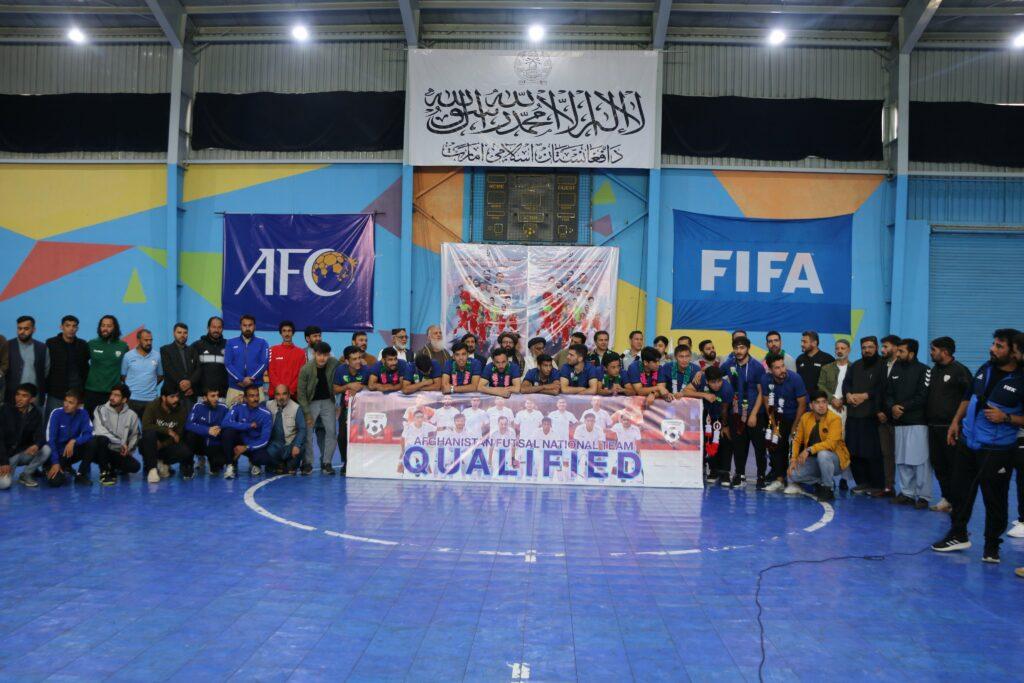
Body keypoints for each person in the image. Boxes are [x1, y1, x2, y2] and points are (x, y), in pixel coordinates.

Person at [933, 328, 1024, 565]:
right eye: (993, 343)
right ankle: (958, 535)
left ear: (1014, 353)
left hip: (997, 451)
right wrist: (956, 422)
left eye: (999, 346)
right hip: (968, 443)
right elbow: (968, 395)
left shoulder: (1022, 379)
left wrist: (1006, 418)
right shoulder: (986, 367)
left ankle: (992, 546)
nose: (992, 348)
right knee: (959, 492)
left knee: (995, 500)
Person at [925, 336, 973, 513]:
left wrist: (959, 424)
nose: (931, 353)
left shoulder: (961, 371)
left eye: (933, 350)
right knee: (939, 464)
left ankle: (960, 501)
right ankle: (947, 498)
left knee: (954, 466)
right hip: (933, 427)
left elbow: (969, 399)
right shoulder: (934, 371)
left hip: (952, 429)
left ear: (944, 352)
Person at [885, 338, 931, 509]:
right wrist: (892, 407)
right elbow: (888, 393)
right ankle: (907, 493)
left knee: (919, 461)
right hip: (899, 422)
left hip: (917, 422)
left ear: (911, 353)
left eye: (901, 351)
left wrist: (902, 407)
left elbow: (922, 396)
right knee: (902, 460)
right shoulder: (895, 368)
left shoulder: (924, 370)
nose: (897, 354)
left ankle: (923, 496)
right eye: (897, 351)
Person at [785, 390, 850, 503]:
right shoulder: (805, 417)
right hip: (814, 460)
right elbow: (796, 440)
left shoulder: (835, 419)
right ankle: (821, 481)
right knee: (792, 474)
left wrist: (809, 450)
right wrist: (793, 459)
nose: (821, 405)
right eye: (817, 402)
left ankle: (828, 489)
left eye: (824, 402)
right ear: (811, 405)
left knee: (823, 454)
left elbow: (831, 443)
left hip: (836, 461)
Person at [757, 352, 808, 492]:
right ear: (770, 370)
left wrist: (794, 428)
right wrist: (774, 427)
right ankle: (779, 480)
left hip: (796, 417)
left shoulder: (795, 379)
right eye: (777, 368)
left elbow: (802, 404)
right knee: (775, 444)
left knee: (794, 449)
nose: (782, 370)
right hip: (778, 418)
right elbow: (767, 404)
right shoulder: (765, 379)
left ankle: (795, 482)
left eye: (783, 366)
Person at [720, 337, 766, 487]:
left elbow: (761, 392)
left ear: (748, 348)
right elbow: (714, 374)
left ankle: (761, 476)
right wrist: (701, 373)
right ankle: (739, 475)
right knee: (739, 447)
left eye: (742, 348)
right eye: (736, 348)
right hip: (736, 414)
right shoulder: (729, 364)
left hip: (755, 414)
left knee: (759, 447)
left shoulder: (757, 366)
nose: (738, 351)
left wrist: (753, 414)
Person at [842, 336, 885, 493]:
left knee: (871, 452)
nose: (867, 350)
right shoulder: (855, 366)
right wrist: (847, 395)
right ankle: (862, 482)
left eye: (870, 347)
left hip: (871, 416)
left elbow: (883, 388)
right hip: (853, 416)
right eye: (864, 347)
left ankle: (877, 484)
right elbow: (846, 383)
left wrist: (866, 395)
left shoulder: (883, 365)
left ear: (876, 347)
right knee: (853, 450)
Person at [684, 365, 733, 486]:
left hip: (724, 415)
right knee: (709, 440)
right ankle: (713, 470)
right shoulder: (701, 379)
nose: (717, 385)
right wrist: (704, 395)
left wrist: (725, 426)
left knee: (725, 441)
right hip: (708, 415)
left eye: (719, 381)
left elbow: (725, 409)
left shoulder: (727, 388)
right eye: (713, 382)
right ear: (707, 381)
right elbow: (686, 391)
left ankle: (725, 472)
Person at [296, 341, 338, 475]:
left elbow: (345, 366)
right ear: (314, 354)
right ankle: (307, 463)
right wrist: (307, 412)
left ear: (329, 355)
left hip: (328, 402)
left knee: (331, 432)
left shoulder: (334, 363)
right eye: (320, 355)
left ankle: (327, 463)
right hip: (311, 403)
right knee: (308, 433)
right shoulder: (306, 369)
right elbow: (301, 393)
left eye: (325, 355)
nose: (322, 358)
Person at [90, 383, 141, 486]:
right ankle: (104, 472)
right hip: (100, 449)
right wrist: (121, 443)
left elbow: (135, 435)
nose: (112, 397)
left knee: (135, 466)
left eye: (117, 395)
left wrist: (129, 449)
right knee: (102, 439)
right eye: (112, 394)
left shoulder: (132, 415)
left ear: (124, 400)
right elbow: (100, 431)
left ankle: (112, 467)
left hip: (117, 452)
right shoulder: (100, 409)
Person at [0, 383, 49, 490]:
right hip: (4, 456)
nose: (19, 399)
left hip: (20, 453)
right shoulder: (5, 410)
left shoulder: (36, 413)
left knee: (45, 450)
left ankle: (26, 474)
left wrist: (36, 444)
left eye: (24, 396)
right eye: (18, 394)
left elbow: (40, 435)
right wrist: (3, 462)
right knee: (4, 484)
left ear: (32, 399)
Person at [140, 384, 192, 484]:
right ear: (163, 398)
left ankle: (163, 462)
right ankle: (152, 469)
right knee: (149, 435)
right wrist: (167, 430)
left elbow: (178, 435)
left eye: (177, 396)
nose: (176, 399)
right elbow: (146, 426)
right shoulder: (152, 406)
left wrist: (163, 444)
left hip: (168, 444)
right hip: (151, 443)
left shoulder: (181, 410)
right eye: (172, 397)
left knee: (185, 452)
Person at [870, 334, 901, 498]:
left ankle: (908, 491)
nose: (882, 350)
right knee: (886, 454)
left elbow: (901, 394)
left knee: (902, 455)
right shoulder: (882, 365)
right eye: (882, 347)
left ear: (896, 347)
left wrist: (890, 413)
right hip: (882, 418)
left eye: (886, 346)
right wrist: (878, 412)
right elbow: (876, 391)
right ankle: (889, 486)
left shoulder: (904, 366)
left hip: (898, 419)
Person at [221, 385, 273, 479]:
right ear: (245, 398)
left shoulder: (266, 414)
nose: (255, 399)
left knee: (264, 459)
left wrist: (246, 447)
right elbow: (225, 423)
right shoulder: (238, 407)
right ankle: (230, 465)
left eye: (257, 395)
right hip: (239, 440)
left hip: (253, 444)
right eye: (252, 396)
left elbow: (265, 440)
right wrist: (247, 426)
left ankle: (255, 463)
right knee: (228, 432)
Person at [333, 345, 371, 476]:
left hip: (364, 408)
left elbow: (372, 387)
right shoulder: (340, 370)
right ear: (347, 361)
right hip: (346, 407)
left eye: (359, 358)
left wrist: (361, 387)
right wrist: (348, 386)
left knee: (363, 435)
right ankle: (346, 462)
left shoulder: (366, 370)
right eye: (354, 359)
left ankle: (363, 462)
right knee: (342, 436)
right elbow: (334, 389)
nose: (358, 361)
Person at [44, 389, 94, 487]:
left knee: (92, 442)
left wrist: (74, 441)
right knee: (55, 482)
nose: (66, 405)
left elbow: (89, 433)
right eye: (65, 401)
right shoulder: (56, 414)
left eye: (70, 402)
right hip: (57, 454)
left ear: (79, 405)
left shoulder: (83, 413)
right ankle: (52, 468)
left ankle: (81, 474)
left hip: (71, 451)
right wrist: (55, 462)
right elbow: (50, 440)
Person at [45, 315, 90, 417]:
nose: (71, 329)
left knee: (74, 425)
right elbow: (46, 367)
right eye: (68, 325)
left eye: (74, 326)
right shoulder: (51, 343)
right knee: (52, 422)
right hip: (56, 393)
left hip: (76, 393)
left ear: (77, 328)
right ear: (61, 327)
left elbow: (85, 368)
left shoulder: (82, 345)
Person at [84, 315, 128, 414]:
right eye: (103, 325)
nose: (105, 328)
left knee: (110, 425)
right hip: (92, 391)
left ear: (115, 328)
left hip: (112, 393)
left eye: (109, 326)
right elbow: (82, 365)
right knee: (90, 424)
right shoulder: (91, 344)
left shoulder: (123, 346)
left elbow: (127, 370)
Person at [225, 314, 269, 406]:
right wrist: (241, 379)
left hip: (256, 389)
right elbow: (228, 364)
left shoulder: (262, 343)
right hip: (235, 388)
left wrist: (250, 380)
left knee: (258, 418)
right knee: (232, 417)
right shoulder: (230, 342)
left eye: (250, 325)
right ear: (240, 326)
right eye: (245, 325)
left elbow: (264, 363)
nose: (247, 328)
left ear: (254, 326)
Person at [185, 386, 229, 476]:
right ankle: (188, 464)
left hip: (215, 443)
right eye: (213, 396)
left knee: (216, 468)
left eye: (217, 395)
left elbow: (229, 423)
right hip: (200, 443)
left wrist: (220, 428)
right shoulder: (197, 406)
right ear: (205, 398)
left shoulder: (223, 408)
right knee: (190, 434)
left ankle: (214, 461)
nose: (216, 398)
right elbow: (189, 424)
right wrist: (207, 430)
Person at [6, 316, 48, 406]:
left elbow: (46, 370)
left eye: (26, 329)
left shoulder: (42, 348)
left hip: (34, 398)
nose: (22, 332)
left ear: (33, 329)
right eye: (19, 328)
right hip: (11, 397)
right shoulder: (7, 346)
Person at [120, 329, 162, 419]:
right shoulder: (128, 356)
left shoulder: (157, 356)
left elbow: (161, 376)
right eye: (146, 340)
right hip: (132, 399)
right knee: (130, 430)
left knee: (150, 431)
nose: (149, 342)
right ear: (138, 340)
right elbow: (123, 376)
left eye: (151, 340)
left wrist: (150, 385)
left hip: (151, 400)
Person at [267, 384, 307, 475]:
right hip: (275, 445)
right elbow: (254, 405)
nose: (281, 397)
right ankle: (279, 464)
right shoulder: (268, 405)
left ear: (289, 395)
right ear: (274, 396)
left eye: (284, 394)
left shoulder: (296, 408)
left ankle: (290, 464)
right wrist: (243, 400)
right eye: (278, 394)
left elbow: (302, 429)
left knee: (291, 469)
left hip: (290, 445)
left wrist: (296, 445)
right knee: (266, 453)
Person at [160, 322, 200, 406]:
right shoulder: (165, 350)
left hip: (190, 394)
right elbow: (168, 369)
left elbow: (198, 369)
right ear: (174, 333)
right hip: (172, 393)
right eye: (179, 332)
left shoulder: (193, 350)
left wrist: (190, 384)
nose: (182, 335)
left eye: (185, 333)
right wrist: (182, 384)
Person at [268, 320, 306, 398]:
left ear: (293, 333)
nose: (287, 334)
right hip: (275, 394)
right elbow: (271, 371)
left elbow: (301, 374)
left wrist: (290, 391)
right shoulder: (273, 350)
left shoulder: (301, 352)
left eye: (289, 331)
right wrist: (280, 391)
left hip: (293, 395)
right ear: (281, 333)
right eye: (284, 331)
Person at [193, 316, 228, 397]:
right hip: (201, 395)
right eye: (214, 327)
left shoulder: (228, 346)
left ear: (222, 329)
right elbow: (191, 369)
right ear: (208, 328)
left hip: (222, 395)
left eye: (219, 327)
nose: (216, 330)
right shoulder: (197, 346)